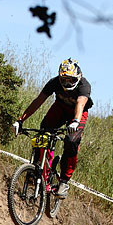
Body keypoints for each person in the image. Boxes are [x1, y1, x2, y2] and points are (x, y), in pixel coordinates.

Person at [13, 58, 93, 198]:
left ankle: (64, 181)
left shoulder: (84, 85)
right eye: (65, 80)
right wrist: (20, 120)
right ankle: (39, 167)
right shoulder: (54, 82)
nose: (68, 83)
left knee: (71, 141)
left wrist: (75, 121)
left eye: (71, 80)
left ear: (78, 78)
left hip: (78, 113)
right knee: (43, 132)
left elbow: (80, 104)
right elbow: (38, 101)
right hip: (60, 108)